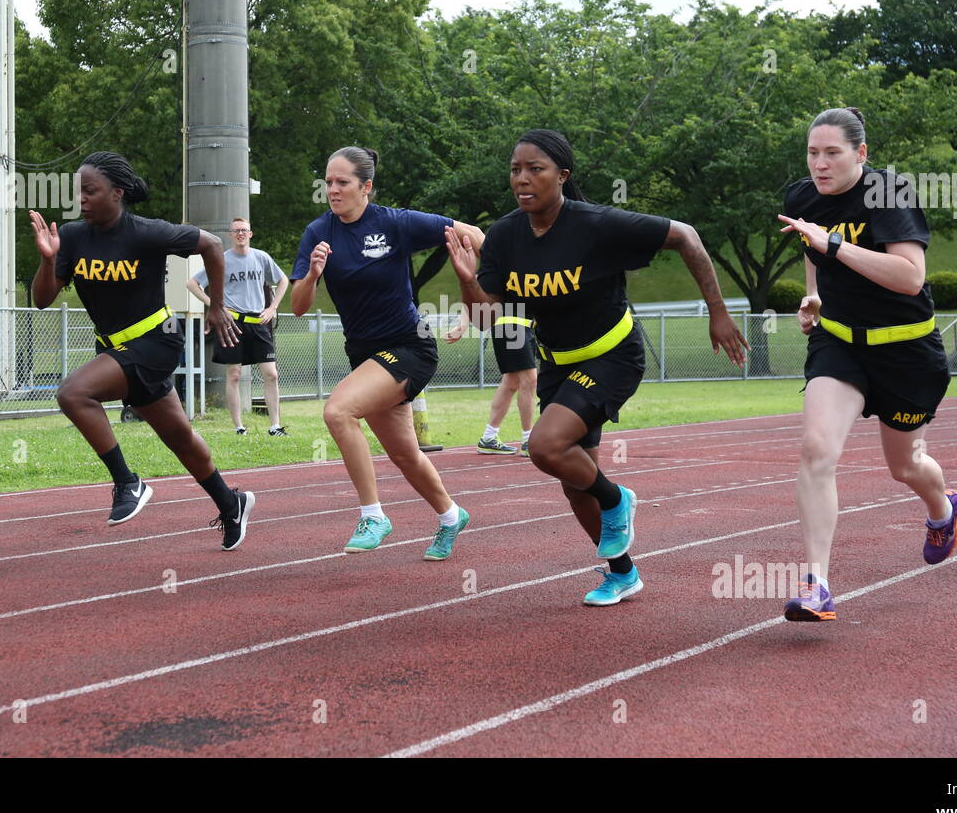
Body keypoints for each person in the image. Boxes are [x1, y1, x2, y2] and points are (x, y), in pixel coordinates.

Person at [447, 129, 748, 605]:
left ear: (562, 176)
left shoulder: (597, 225)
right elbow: (486, 317)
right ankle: (622, 573)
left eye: (535, 169)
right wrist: (467, 282)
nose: (522, 179)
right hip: (557, 363)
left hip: (613, 354)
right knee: (573, 483)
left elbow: (687, 237)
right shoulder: (505, 236)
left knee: (545, 446)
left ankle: (616, 499)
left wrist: (718, 311)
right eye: (514, 170)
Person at [777, 106, 957, 622]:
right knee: (816, 448)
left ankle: (942, 509)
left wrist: (834, 243)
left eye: (832, 153)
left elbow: (909, 276)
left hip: (905, 350)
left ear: (861, 153)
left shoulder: (890, 193)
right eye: (813, 153)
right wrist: (813, 296)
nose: (820, 164)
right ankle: (817, 585)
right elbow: (809, 248)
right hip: (840, 344)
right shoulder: (801, 195)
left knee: (905, 466)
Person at [29, 151, 255, 551]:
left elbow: (213, 244)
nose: (80, 198)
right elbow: (41, 300)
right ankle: (231, 502)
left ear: (116, 193)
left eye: (89, 190)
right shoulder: (73, 236)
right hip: (116, 348)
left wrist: (216, 305)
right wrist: (49, 261)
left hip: (157, 340)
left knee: (73, 392)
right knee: (179, 436)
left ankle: (127, 483)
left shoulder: (146, 232)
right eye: (77, 191)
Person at [290, 146, 485, 559]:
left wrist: (477, 292)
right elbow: (298, 305)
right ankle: (452, 516)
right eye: (328, 182)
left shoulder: (396, 223)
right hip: (365, 354)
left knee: (337, 411)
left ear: (367, 187)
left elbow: (476, 235)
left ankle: (373, 515)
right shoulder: (317, 233)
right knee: (403, 453)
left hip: (409, 346)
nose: (333, 189)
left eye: (342, 182)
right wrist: (311, 275)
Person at [186, 218, 290, 436]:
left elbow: (283, 280)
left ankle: (275, 426)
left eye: (244, 230)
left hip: (258, 323)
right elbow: (192, 284)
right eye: (236, 231)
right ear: (230, 235)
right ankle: (239, 427)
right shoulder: (221, 260)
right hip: (231, 323)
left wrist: (272, 308)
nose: (240, 234)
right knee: (233, 373)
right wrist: (215, 306)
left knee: (271, 374)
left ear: (250, 234)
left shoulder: (261, 257)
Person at [443, 311, 537, 456]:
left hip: (517, 326)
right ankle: (528, 441)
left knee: (511, 381)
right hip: (513, 326)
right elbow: (471, 294)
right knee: (529, 380)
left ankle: (489, 437)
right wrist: (462, 326)